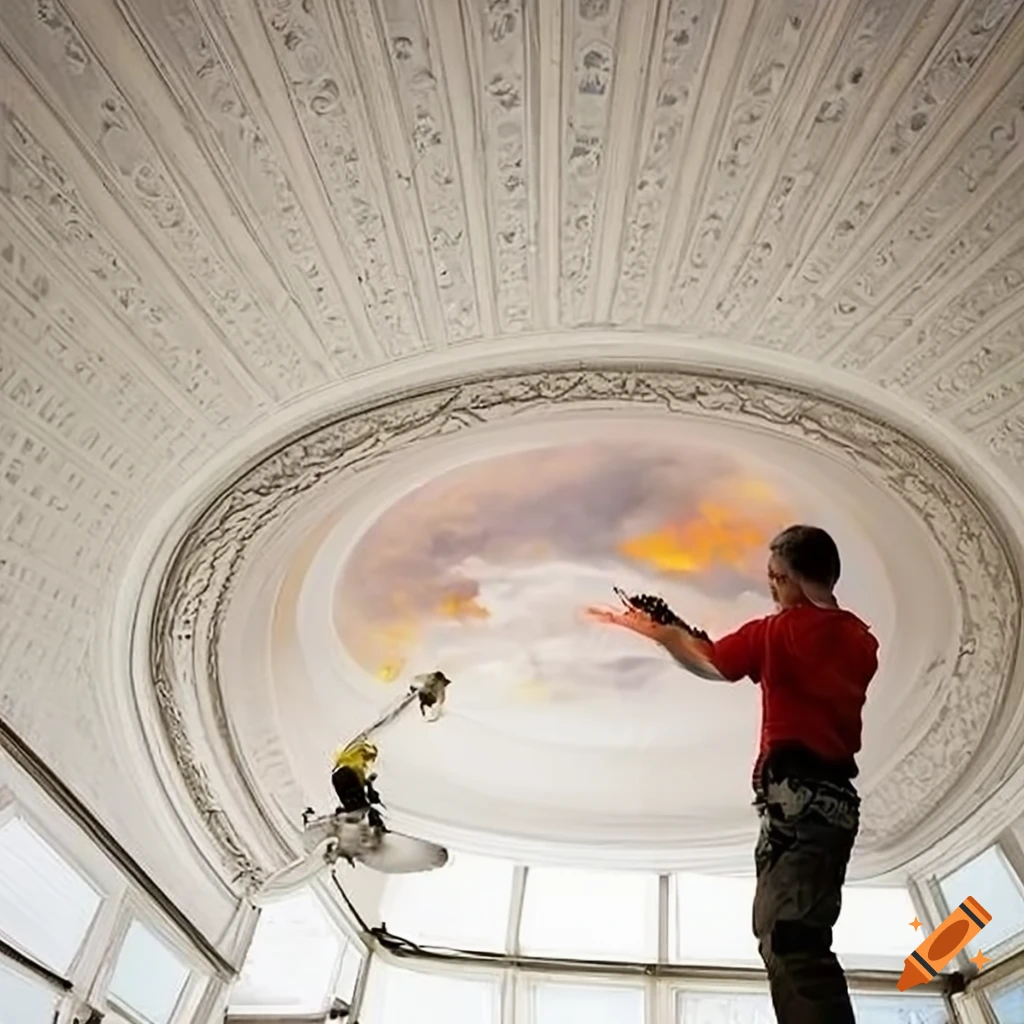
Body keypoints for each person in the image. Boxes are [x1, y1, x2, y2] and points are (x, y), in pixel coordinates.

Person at [587, 525, 878, 1024]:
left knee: (789, 941)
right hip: (835, 810)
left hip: (796, 802)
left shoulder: (776, 632)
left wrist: (663, 634)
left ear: (788, 577)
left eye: (774, 577)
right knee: (800, 937)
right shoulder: (861, 639)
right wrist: (680, 631)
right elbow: (744, 654)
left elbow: (713, 664)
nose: (771, 587)